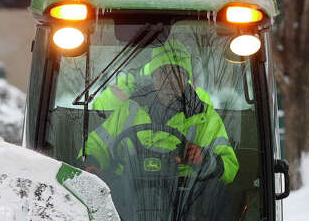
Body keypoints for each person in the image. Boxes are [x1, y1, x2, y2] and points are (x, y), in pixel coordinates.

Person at [81, 40, 239, 183]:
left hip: (184, 203)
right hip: (127, 195)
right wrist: (92, 165)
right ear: (153, 75)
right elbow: (96, 145)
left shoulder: (204, 117)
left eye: (178, 72)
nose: (170, 79)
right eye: (164, 71)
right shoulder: (130, 109)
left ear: (186, 79)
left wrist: (204, 160)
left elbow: (229, 167)